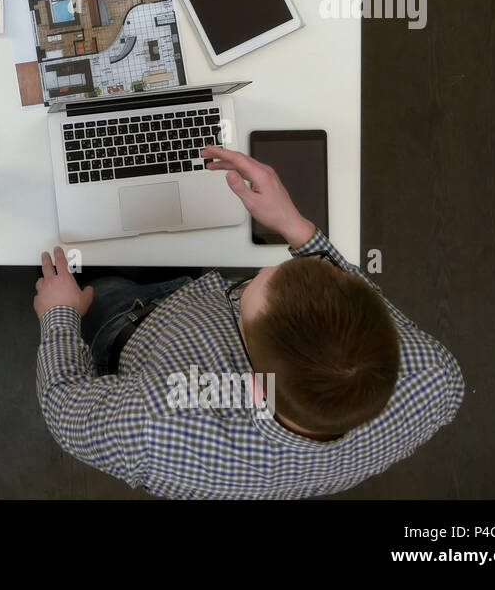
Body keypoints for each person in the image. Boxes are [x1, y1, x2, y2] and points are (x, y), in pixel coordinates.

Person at [32, 145, 465, 499]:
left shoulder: (160, 423)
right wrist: (296, 228)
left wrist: (59, 315)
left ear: (252, 382)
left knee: (102, 288)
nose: (261, 270)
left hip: (132, 324)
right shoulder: (433, 378)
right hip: (196, 317)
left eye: (243, 301)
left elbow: (63, 405)